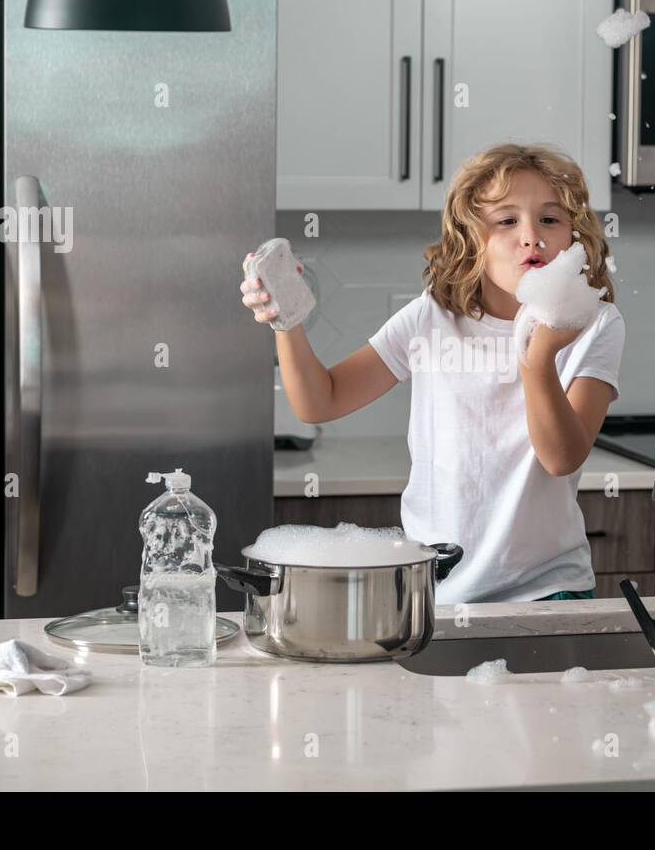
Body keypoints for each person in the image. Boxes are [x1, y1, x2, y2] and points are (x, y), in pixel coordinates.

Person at [241, 143, 624, 603]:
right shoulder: (433, 317)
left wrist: (537, 358)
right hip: (434, 590)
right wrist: (287, 320)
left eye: (550, 219)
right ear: (471, 238)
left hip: (548, 589)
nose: (531, 236)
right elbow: (321, 399)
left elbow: (562, 458)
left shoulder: (593, 324)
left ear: (574, 236)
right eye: (506, 220)